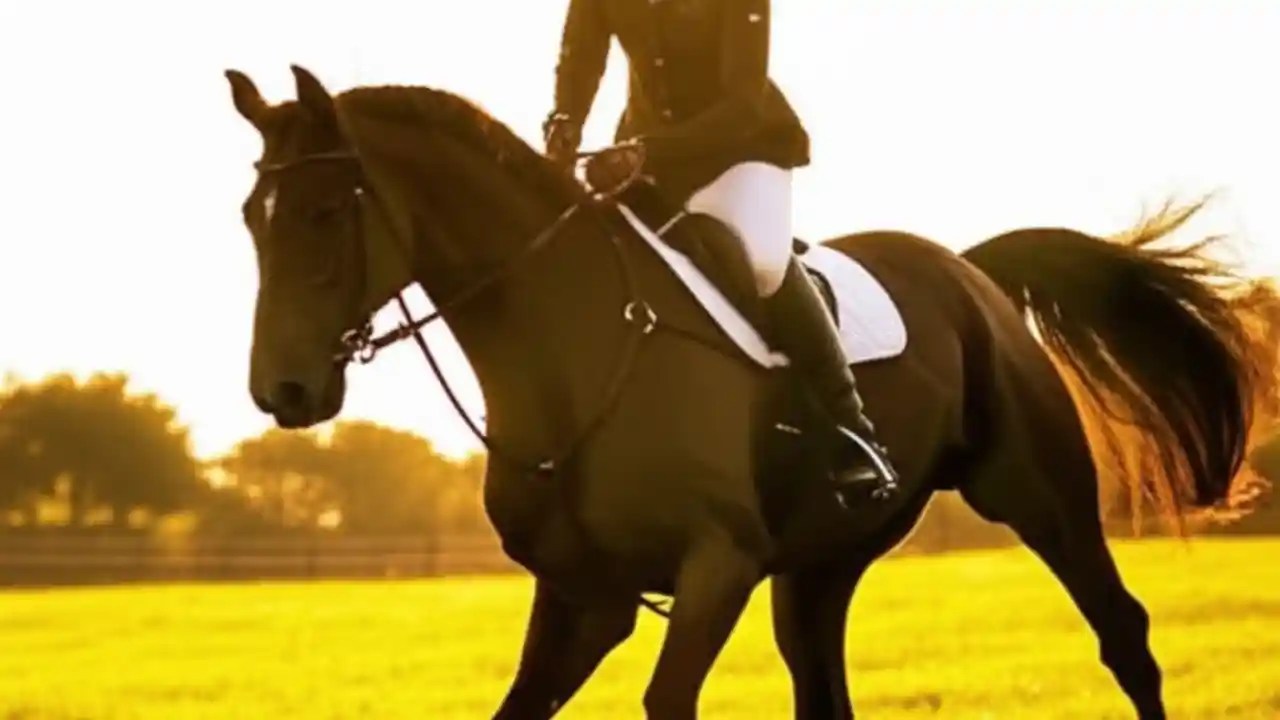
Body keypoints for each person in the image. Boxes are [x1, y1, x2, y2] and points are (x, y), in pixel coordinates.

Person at [542, 0, 898, 497]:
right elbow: (581, 54)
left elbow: (744, 102)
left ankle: (851, 430)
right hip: (647, 157)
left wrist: (647, 150)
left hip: (743, 149)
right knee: (598, 260)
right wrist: (565, 120)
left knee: (763, 263)